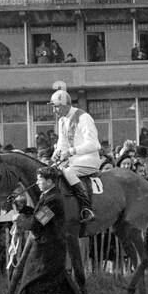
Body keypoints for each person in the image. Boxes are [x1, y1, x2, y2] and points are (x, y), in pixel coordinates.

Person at [12, 164, 100, 294]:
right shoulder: (49, 195)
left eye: (40, 179)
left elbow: (38, 223)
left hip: (50, 251)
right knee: (62, 288)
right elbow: (39, 214)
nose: (37, 182)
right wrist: (23, 208)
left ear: (50, 181)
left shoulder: (54, 200)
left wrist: (19, 220)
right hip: (51, 249)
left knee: (37, 283)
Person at [48, 83, 99, 223]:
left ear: (65, 105)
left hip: (89, 159)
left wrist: (70, 152)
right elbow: (62, 141)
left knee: (68, 172)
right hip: (73, 160)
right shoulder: (62, 120)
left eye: (56, 106)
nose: (54, 110)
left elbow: (94, 144)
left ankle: (86, 208)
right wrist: (57, 151)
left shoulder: (84, 118)